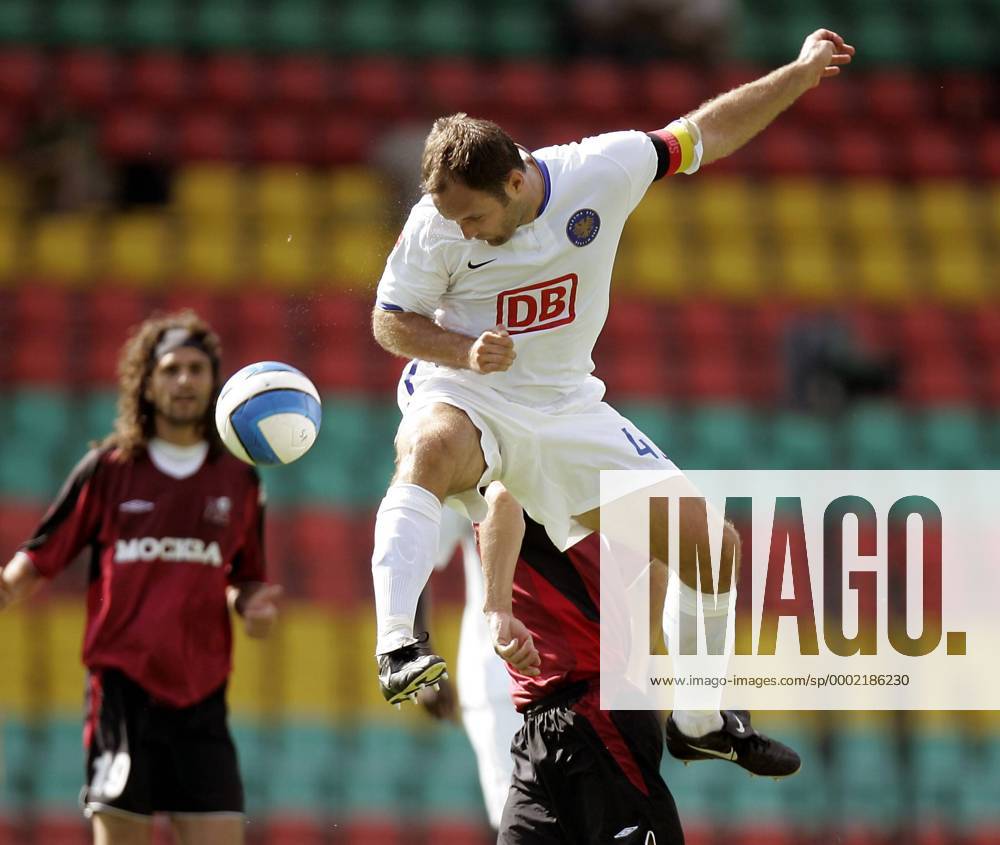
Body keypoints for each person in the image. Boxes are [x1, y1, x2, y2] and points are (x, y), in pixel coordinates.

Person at [369, 29, 855, 728]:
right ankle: (397, 643)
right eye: (454, 220)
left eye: (474, 217)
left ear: (515, 179)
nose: (465, 233)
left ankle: (697, 720)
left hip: (565, 403)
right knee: (429, 450)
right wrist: (462, 347)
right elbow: (391, 323)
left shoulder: (604, 167)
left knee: (711, 545)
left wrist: (800, 73)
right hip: (466, 391)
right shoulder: (435, 225)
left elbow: (705, 134)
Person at [0, 311, 281, 845]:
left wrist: (251, 605)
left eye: (197, 369)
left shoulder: (239, 479)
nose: (184, 380)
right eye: (171, 369)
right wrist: (7, 587)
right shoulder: (109, 469)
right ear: (146, 383)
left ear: (213, 381)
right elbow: (39, 558)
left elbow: (244, 577)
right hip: (123, 696)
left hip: (202, 698)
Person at [416, 508, 522, 830]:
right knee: (524, 823)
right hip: (502, 682)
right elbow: (413, 548)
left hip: (589, 678)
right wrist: (418, 652)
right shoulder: (477, 459)